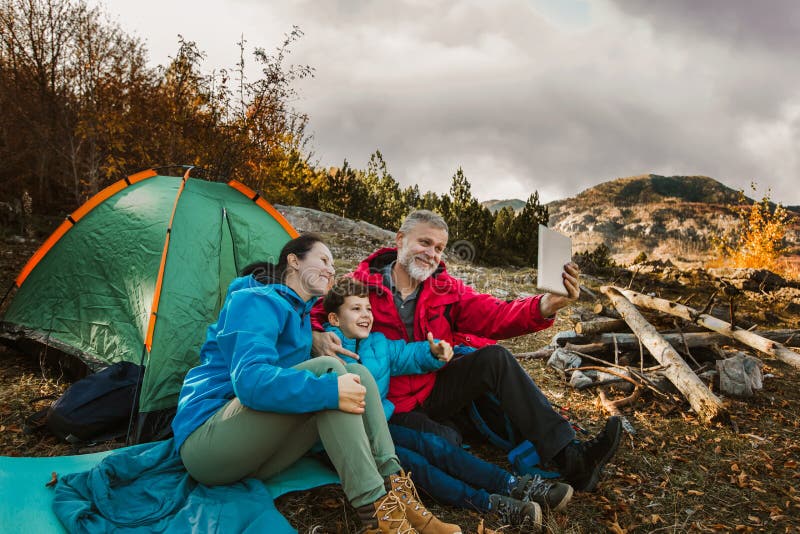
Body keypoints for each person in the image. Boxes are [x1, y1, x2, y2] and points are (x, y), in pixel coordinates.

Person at [311, 210, 623, 494]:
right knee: (447, 442)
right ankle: (466, 445)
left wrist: (547, 304)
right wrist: (317, 333)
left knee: (494, 358)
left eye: (439, 248)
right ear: (400, 240)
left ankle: (572, 457)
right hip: (392, 407)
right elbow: (317, 311)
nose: (431, 254)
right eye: (424, 242)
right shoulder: (361, 285)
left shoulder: (447, 289)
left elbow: (497, 315)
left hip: (434, 387)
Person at [171, 233, 461, 534]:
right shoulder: (253, 300)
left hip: (257, 457)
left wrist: (429, 353)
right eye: (323, 259)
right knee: (331, 374)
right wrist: (328, 388)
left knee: (354, 373)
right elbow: (251, 382)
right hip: (209, 444)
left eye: (333, 264)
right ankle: (376, 512)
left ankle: (396, 493)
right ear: (293, 261)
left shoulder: (301, 318)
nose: (331, 269)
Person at [322, 278, 576, 530]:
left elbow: (408, 355)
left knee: (436, 446)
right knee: (415, 464)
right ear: (334, 319)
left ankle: (514, 484)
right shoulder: (324, 350)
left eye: (368, 308)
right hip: (354, 438)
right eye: (356, 309)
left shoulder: (378, 343)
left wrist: (434, 353)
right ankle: (489, 503)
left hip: (382, 426)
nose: (365, 315)